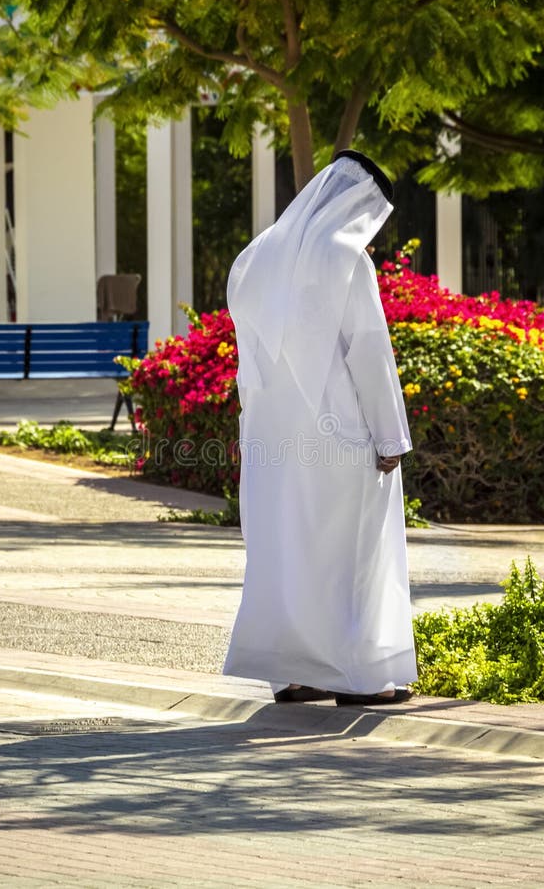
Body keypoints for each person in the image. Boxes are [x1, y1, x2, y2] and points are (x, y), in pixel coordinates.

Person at [223, 149, 417, 706]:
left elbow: (246, 358)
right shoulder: (347, 258)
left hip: (271, 436)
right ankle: (361, 679)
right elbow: (370, 353)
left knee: (287, 550)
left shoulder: (254, 256)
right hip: (342, 436)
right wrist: (390, 437)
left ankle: (296, 674)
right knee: (351, 554)